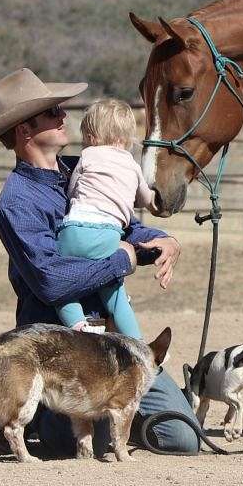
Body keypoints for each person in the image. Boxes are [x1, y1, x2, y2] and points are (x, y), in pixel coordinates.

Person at [0, 68, 200, 455]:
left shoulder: (84, 166)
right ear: (25, 132)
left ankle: (123, 412)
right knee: (67, 444)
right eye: (51, 113)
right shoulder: (16, 203)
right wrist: (121, 261)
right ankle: (26, 406)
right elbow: (50, 282)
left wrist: (161, 239)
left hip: (119, 348)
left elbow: (124, 224)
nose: (63, 117)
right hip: (59, 352)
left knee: (181, 438)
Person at [55, 99, 154, 338]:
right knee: (116, 295)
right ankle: (138, 343)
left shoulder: (87, 156)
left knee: (63, 284)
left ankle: (79, 324)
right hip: (109, 235)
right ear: (126, 137)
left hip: (74, 231)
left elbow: (73, 190)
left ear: (91, 135)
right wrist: (153, 200)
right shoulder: (132, 165)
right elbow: (144, 199)